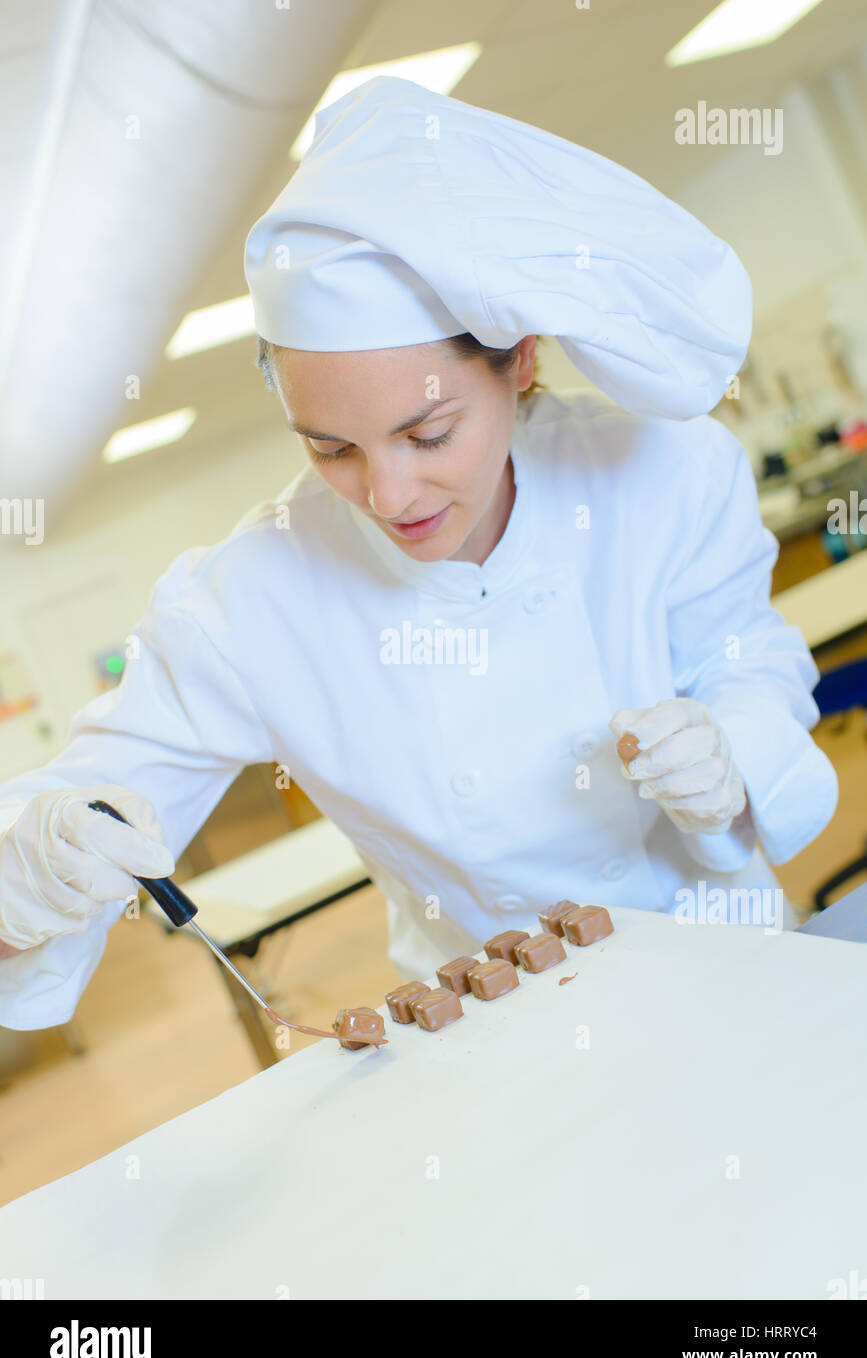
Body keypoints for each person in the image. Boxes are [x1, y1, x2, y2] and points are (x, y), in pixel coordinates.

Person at [0, 78, 836, 1029]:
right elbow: (67, 812)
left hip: (738, 963)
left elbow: (751, 660)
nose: (387, 496)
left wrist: (731, 747)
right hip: (500, 1030)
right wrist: (28, 867)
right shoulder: (247, 601)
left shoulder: (660, 469)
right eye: (329, 449)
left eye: (428, 434)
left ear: (518, 360)